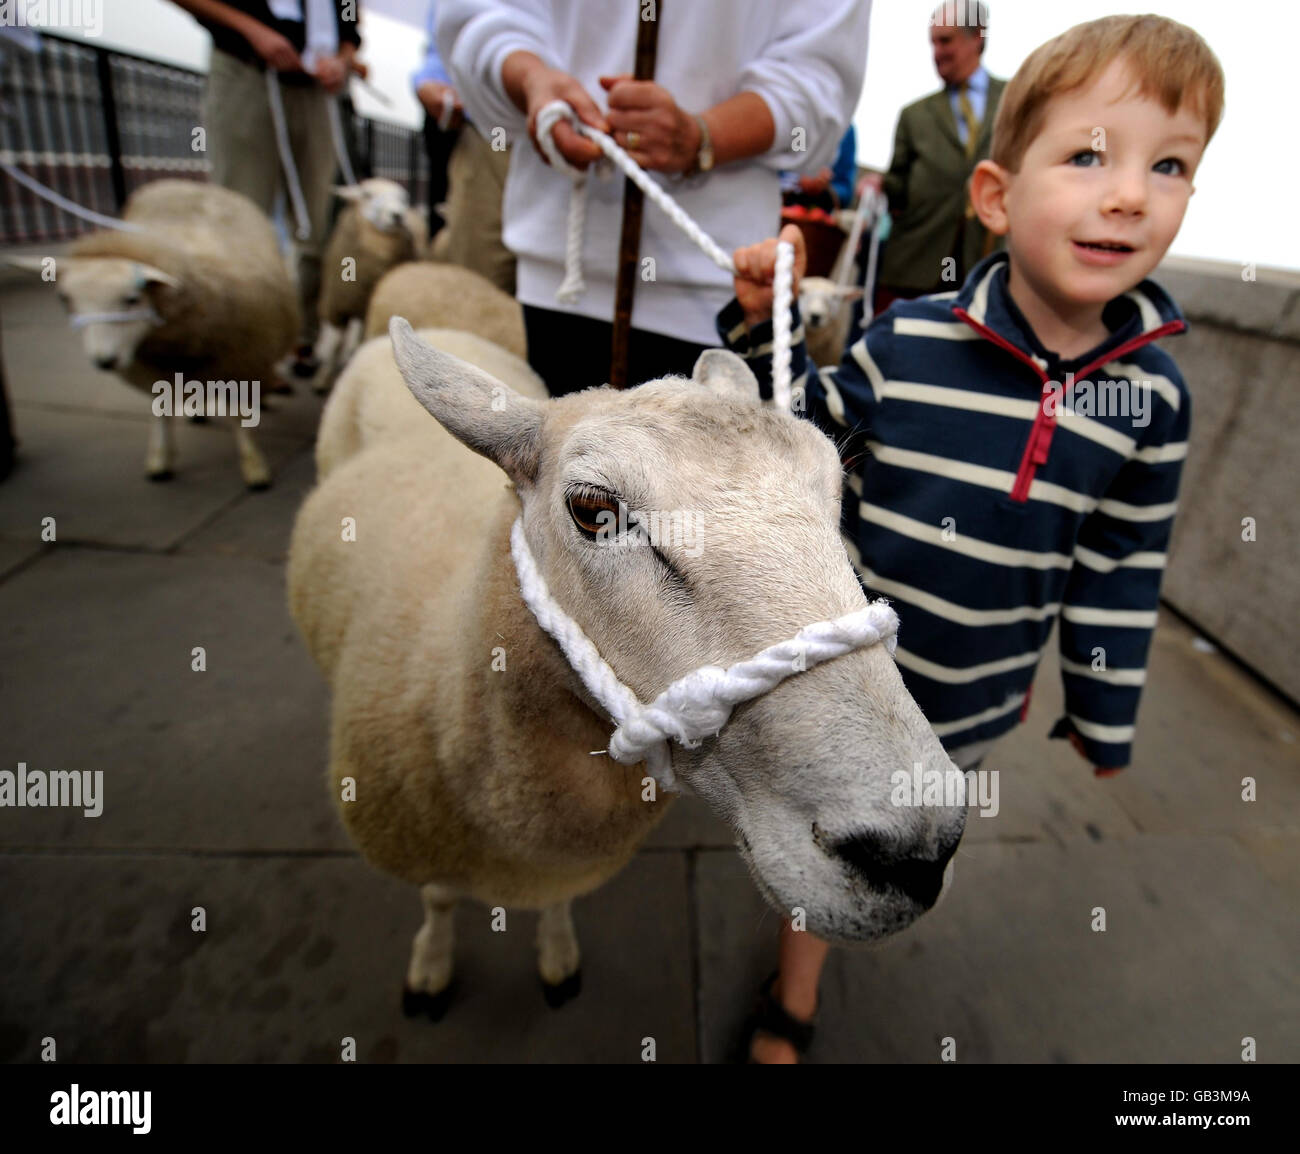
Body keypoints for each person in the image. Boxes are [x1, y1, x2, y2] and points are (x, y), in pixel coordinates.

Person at [722, 13, 1224, 1062]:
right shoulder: (909, 342)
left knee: (903, 833)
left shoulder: (1153, 402)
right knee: (827, 826)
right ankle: (794, 993)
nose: (1129, 193)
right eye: (1089, 156)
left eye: (1168, 165)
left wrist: (1104, 710)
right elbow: (797, 435)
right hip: (848, 674)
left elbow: (1120, 571)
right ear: (995, 195)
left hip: (975, 700)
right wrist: (763, 327)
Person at [436, 0, 871, 396]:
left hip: (715, 297)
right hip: (559, 280)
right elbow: (481, 15)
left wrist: (705, 136)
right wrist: (531, 79)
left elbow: (821, 77)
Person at [169, 0, 363, 381]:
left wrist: (343, 60)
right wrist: (251, 28)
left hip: (316, 91)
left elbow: (349, 22)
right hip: (248, 73)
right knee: (240, 222)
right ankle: (235, 355)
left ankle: (301, 341)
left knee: (316, 227)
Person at [876, 1, 1004, 310]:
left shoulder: (1014, 100)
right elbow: (897, 188)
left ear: (977, 37)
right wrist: (877, 185)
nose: (937, 52)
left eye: (945, 40)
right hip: (918, 266)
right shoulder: (914, 115)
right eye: (932, 43)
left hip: (986, 263)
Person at [412, 1, 463, 241]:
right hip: (448, 116)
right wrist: (426, 82)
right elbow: (437, 45)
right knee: (442, 203)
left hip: (496, 124)